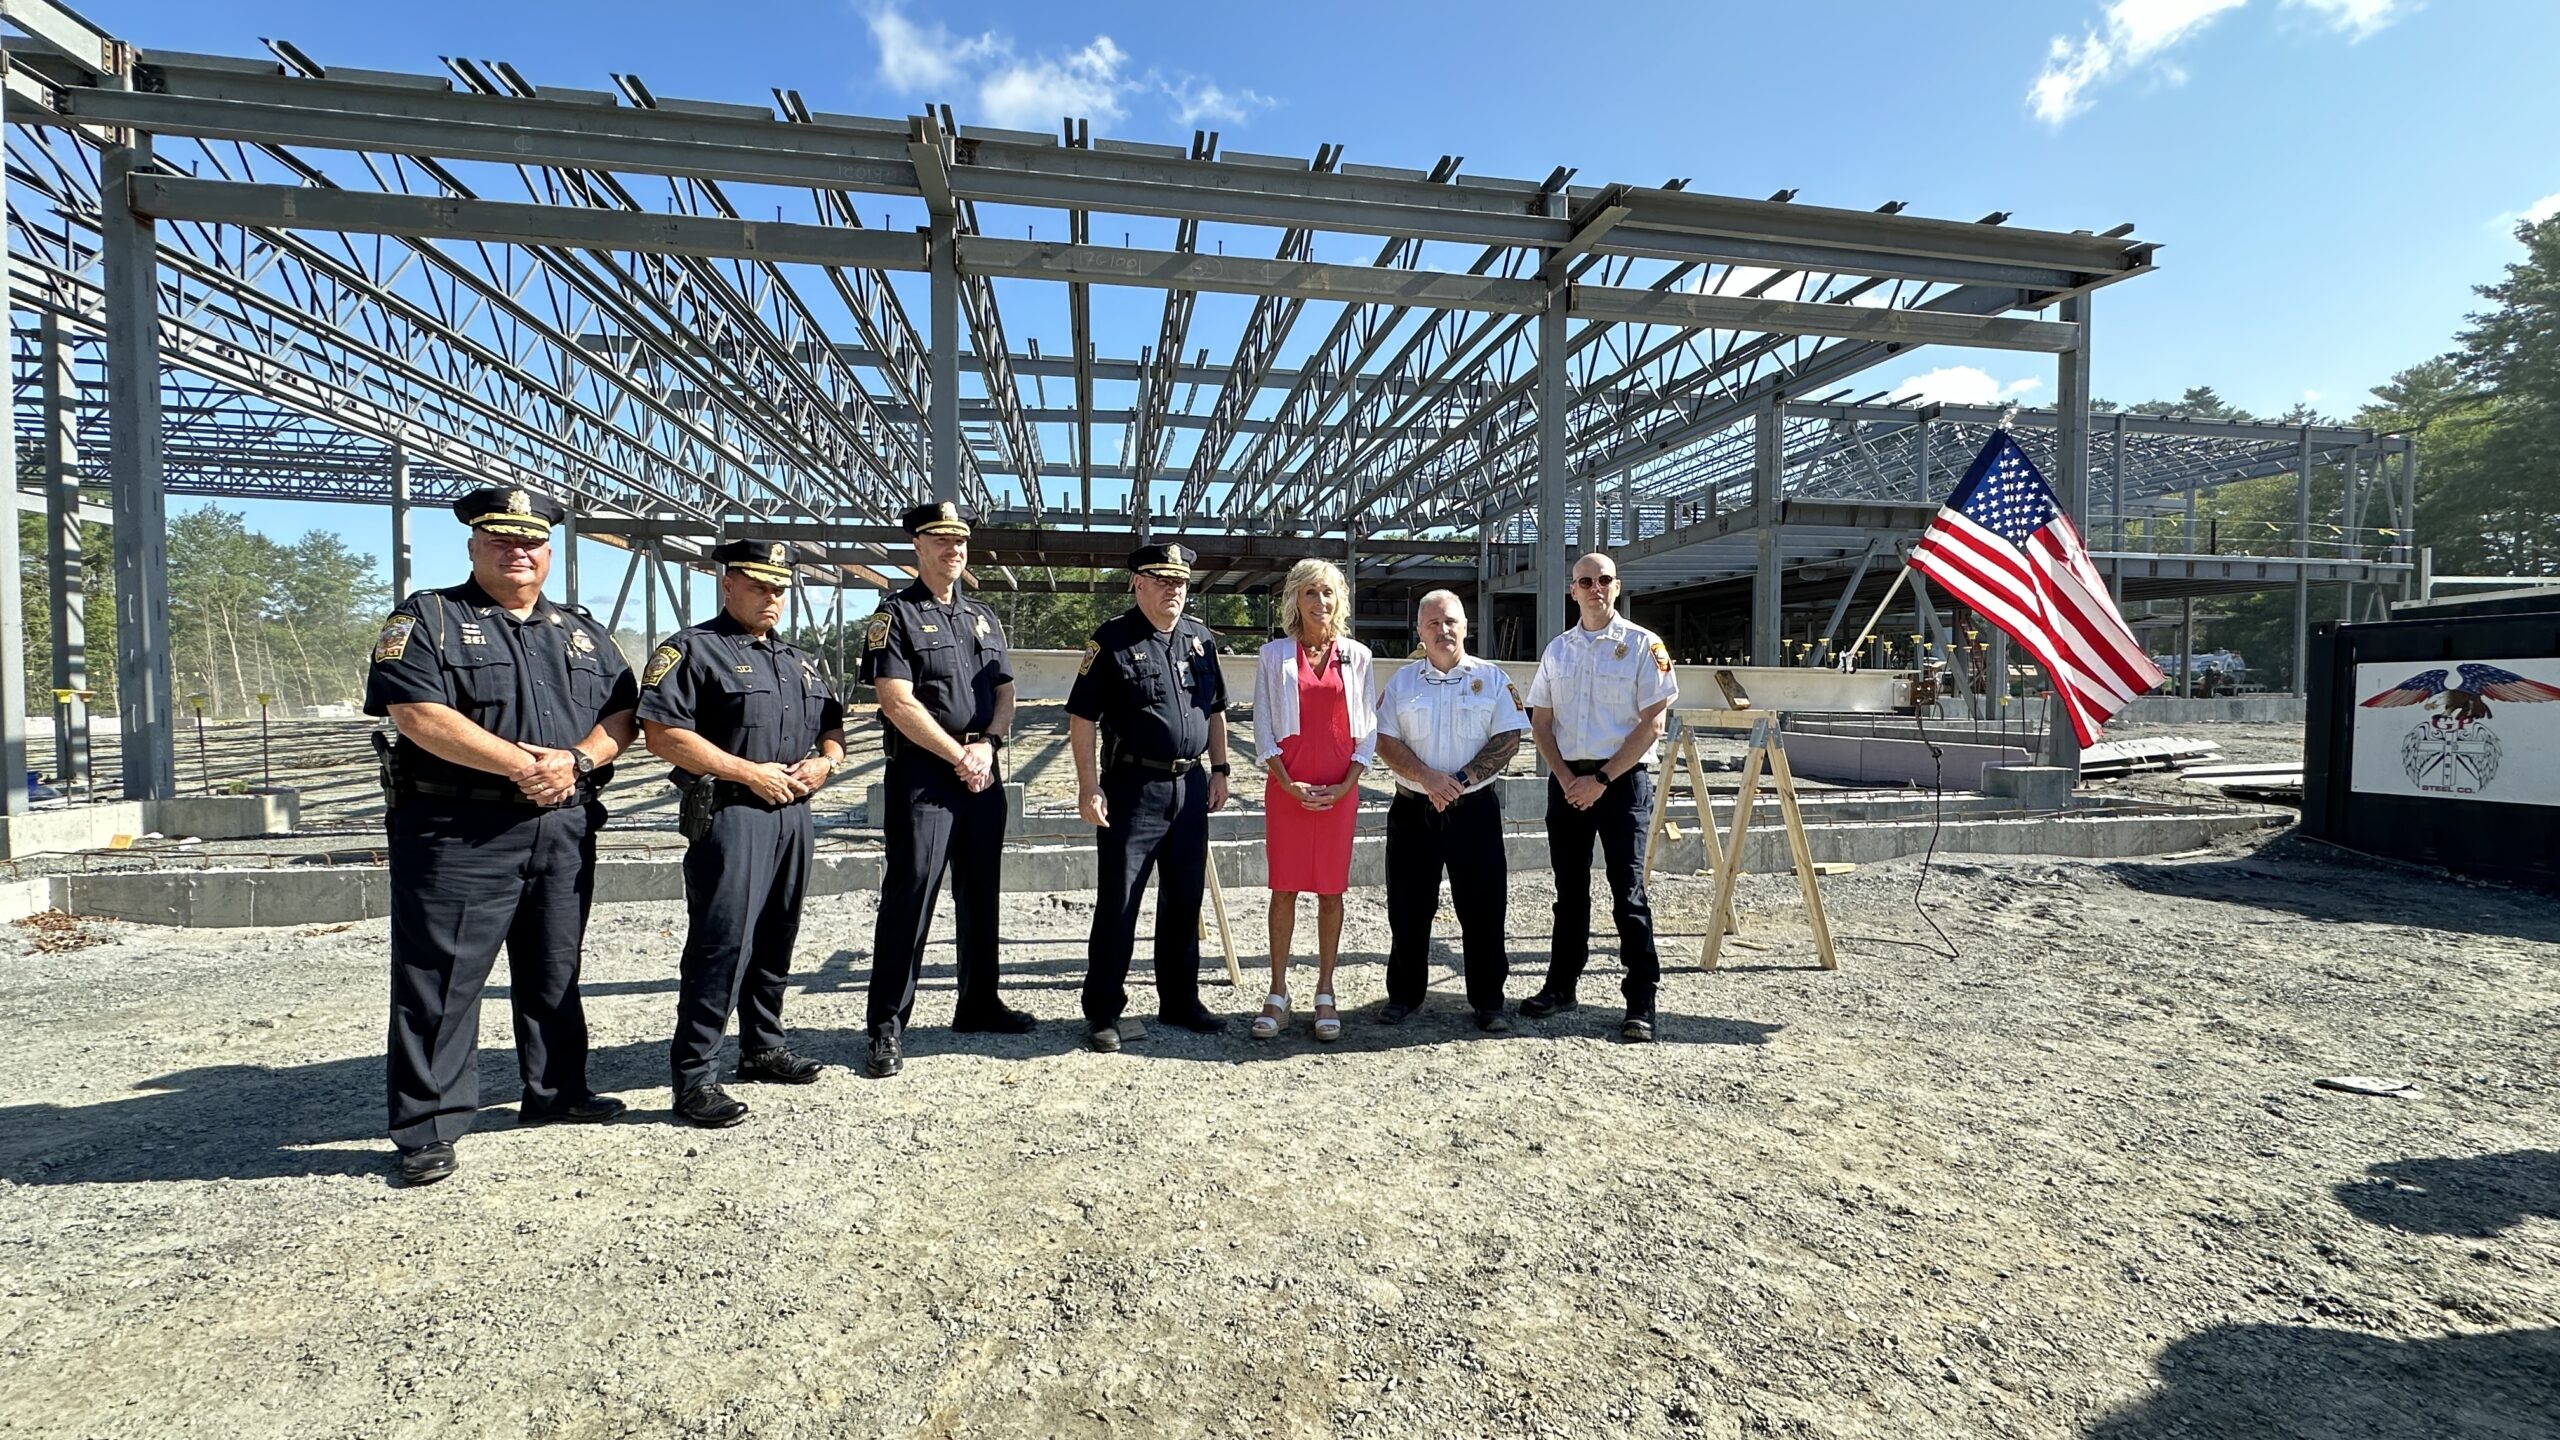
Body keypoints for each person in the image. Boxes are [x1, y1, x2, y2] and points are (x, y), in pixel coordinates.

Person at [363, 486, 638, 1186]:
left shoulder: (580, 630)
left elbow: (624, 715)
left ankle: (557, 1091)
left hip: (561, 824)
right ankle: (428, 1127)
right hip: (459, 828)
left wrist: (575, 762)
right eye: (502, 539)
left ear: (548, 551)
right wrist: (525, 766)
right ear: (474, 545)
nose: (519, 551)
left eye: (532, 541)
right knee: (442, 979)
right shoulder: (430, 618)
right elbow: (415, 711)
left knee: (555, 966)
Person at [638, 540, 846, 1128]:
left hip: (793, 813)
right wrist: (746, 772)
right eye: (759, 585)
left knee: (778, 932)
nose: (771, 597)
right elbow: (662, 733)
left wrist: (825, 762)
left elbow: (834, 727)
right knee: (721, 942)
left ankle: (762, 1046)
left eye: (780, 588)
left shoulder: (801, 660)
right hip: (731, 812)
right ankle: (695, 1076)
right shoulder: (692, 651)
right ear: (727, 585)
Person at [857, 501, 1036, 1082]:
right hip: (925, 777)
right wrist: (957, 753)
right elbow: (895, 698)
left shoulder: (982, 616)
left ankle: (978, 1002)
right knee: (912, 895)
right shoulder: (896, 615)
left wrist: (986, 744)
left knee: (981, 893)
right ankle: (887, 1023)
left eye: (959, 540)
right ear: (918, 546)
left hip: (982, 772)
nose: (952, 549)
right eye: (940, 540)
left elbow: (1006, 690)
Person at [1066, 543, 1235, 1052]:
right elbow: (1081, 719)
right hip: (1132, 790)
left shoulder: (1201, 640)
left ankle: (1180, 999)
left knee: (1184, 900)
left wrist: (1222, 768)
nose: (1174, 589)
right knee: (1119, 902)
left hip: (1190, 786)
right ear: (1137, 582)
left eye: (1181, 581)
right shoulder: (1112, 641)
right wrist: (1088, 785)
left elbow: (1215, 710)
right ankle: (1102, 1011)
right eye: (1162, 580)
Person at [1522, 552, 1681, 1042]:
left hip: (1621, 782)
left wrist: (1602, 781)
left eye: (1604, 580)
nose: (1595, 587)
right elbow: (1541, 721)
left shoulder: (1643, 646)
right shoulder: (1558, 651)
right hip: (1568, 782)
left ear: (1617, 586)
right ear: (1573, 590)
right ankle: (1561, 985)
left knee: (1627, 894)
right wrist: (1567, 777)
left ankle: (1640, 999)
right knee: (1569, 894)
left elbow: (1653, 722)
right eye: (1585, 581)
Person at [1370, 590, 1528, 1031]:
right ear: (1420, 631)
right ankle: (1404, 995)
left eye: (1451, 621)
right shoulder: (1402, 684)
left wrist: (1457, 781)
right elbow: (1384, 740)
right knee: (1407, 907)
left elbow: (1509, 739)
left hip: (1472, 810)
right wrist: (1427, 778)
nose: (1444, 630)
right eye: (1434, 623)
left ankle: (1488, 1000)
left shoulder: (1493, 679)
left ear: (1466, 626)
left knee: (1483, 907)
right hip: (1413, 812)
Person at [1248, 559, 1375, 1041]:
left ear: (1338, 599)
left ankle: (1326, 989)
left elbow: (1368, 730)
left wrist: (1347, 784)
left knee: (1330, 890)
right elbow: (1263, 729)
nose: (1320, 603)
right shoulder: (1273, 655)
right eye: (1309, 594)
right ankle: (1278, 991)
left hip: (1340, 790)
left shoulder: (1357, 656)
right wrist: (1286, 782)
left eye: (1327, 593)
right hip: (1288, 789)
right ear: (1294, 601)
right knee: (1284, 888)